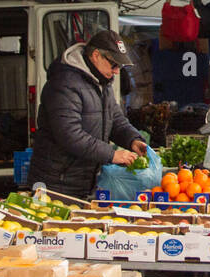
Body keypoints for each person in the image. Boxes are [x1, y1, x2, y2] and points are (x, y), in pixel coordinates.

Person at [28, 30, 147, 200]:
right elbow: (69, 134)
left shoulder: (102, 84)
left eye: (120, 67)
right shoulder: (64, 84)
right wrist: (112, 154)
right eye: (114, 65)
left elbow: (116, 120)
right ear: (96, 56)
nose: (117, 72)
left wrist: (133, 140)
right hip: (56, 184)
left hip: (83, 182)